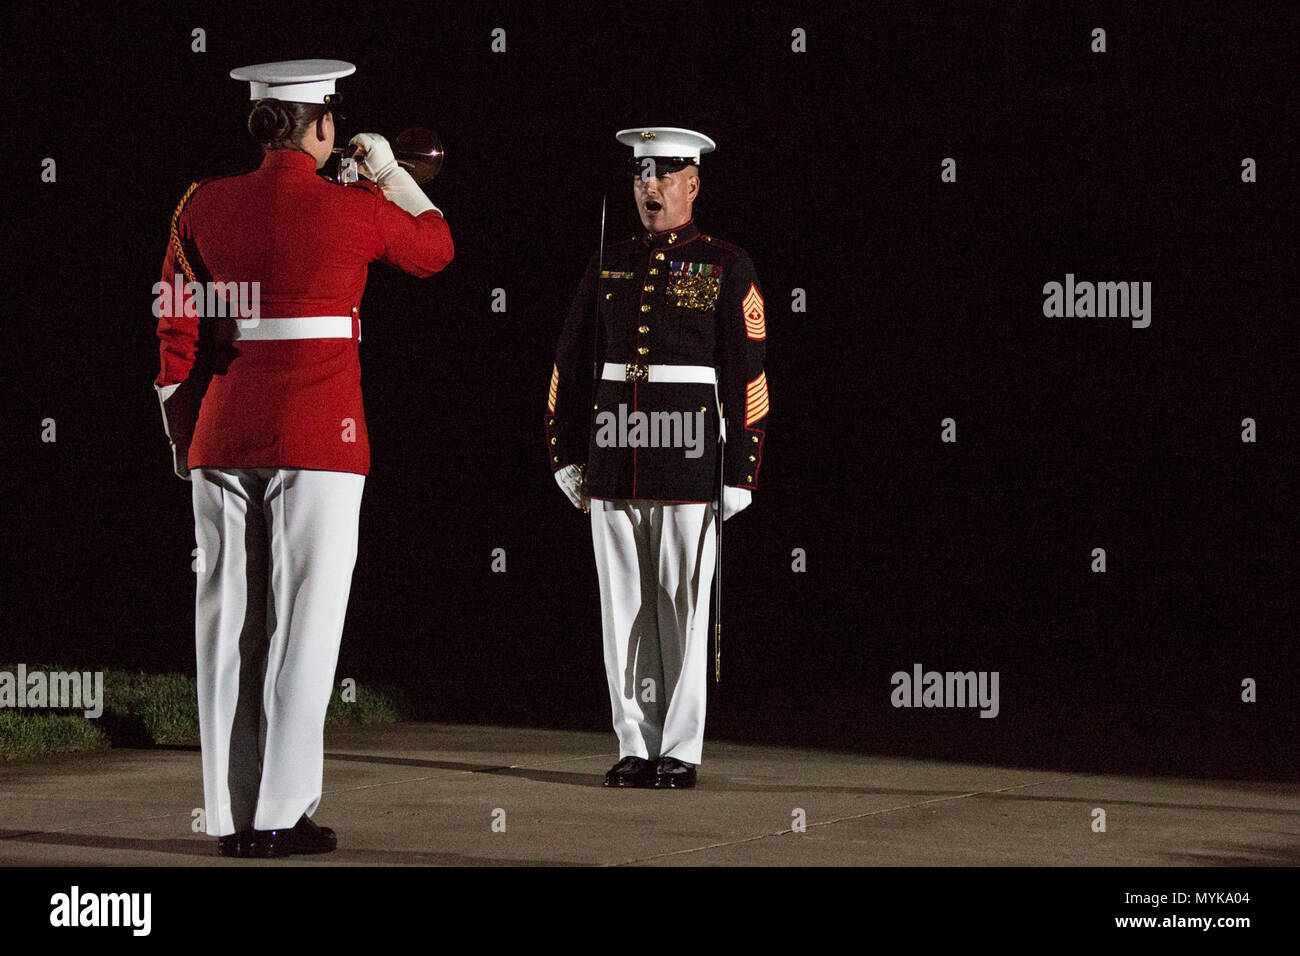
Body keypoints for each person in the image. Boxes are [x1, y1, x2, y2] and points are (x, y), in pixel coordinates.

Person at [154, 59, 453, 856]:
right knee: (304, 628)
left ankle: (229, 816)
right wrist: (388, 173)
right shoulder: (349, 208)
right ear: (322, 125)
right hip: (321, 435)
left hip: (221, 430)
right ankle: (282, 812)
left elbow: (176, 323)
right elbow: (436, 249)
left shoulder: (201, 204)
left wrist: (184, 433)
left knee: (226, 627)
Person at [546, 127, 769, 789]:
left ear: (693, 184)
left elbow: (748, 373)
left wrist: (742, 470)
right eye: (642, 173)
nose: (649, 186)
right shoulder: (609, 262)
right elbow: (567, 358)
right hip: (613, 457)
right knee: (624, 612)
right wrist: (564, 453)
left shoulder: (727, 263)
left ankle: (680, 746)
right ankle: (634, 743)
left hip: (689, 460)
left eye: (664, 174)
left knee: (683, 610)